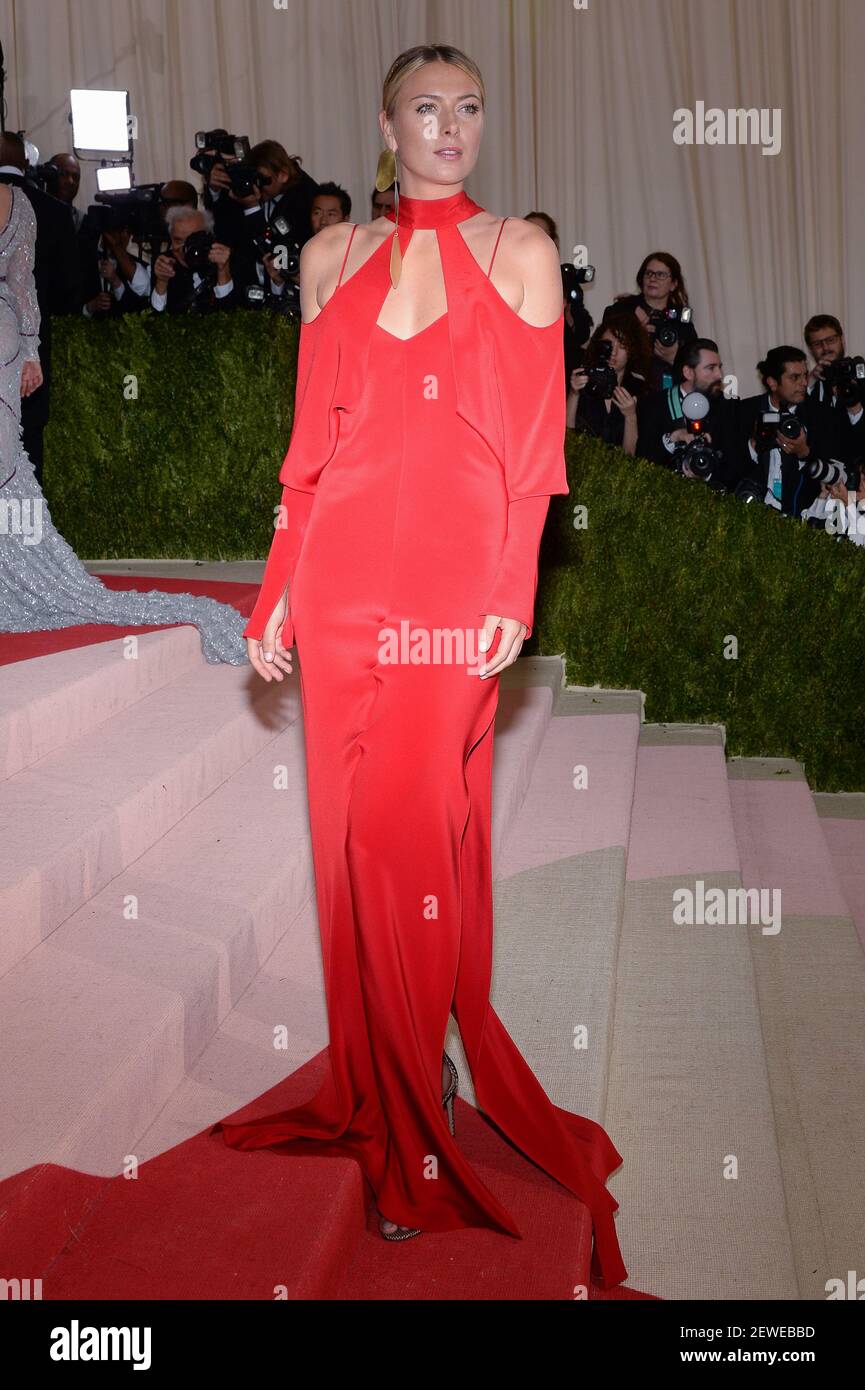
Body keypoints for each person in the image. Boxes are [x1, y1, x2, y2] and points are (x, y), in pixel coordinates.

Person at [211, 44, 629, 1291]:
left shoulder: (519, 252)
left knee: (404, 846)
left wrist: (511, 595)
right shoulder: (330, 259)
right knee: (354, 855)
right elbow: (307, 452)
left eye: (471, 109)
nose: (452, 128)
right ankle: (389, 1071)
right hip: (338, 588)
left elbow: (534, 455)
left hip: (452, 602)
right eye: (428, 108)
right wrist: (274, 590)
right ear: (385, 123)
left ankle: (408, 1144)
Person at [0, 181, 248, 664]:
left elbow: (23, 282)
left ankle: (15, 578)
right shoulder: (18, 202)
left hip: (4, 341)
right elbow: (22, 283)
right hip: (9, 336)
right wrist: (29, 350)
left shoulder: (19, 202)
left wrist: (30, 351)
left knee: (6, 466)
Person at [605, 251, 697, 389]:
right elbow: (604, 346)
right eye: (649, 273)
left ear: (673, 284)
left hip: (667, 390)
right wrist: (634, 329)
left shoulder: (680, 318)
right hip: (625, 387)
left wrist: (673, 358)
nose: (653, 279)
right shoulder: (622, 309)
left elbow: (694, 363)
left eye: (660, 275)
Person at [567, 312, 651, 453]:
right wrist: (573, 393)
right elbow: (567, 437)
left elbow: (633, 458)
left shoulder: (639, 389)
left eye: (622, 346)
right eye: (608, 345)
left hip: (620, 472)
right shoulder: (583, 379)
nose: (613, 352)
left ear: (632, 351)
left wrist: (630, 416)